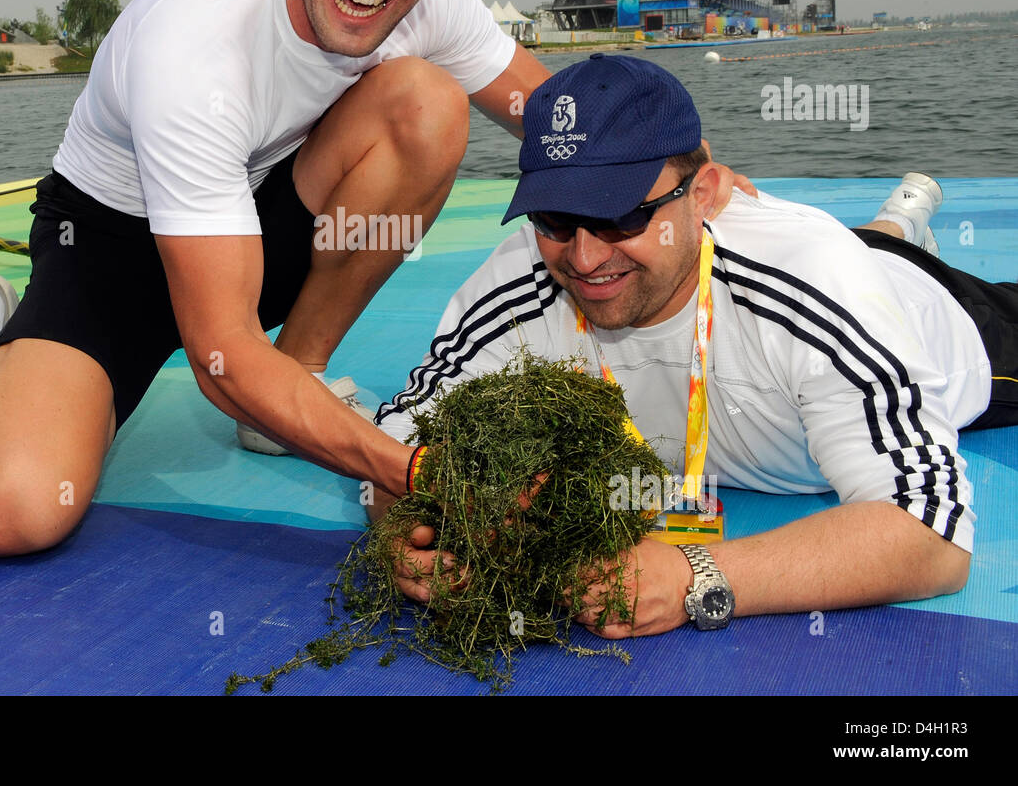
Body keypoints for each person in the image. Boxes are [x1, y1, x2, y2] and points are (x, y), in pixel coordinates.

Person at [0, 0, 556, 556]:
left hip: (256, 218)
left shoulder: (428, 2)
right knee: (7, 516)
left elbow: (560, 120)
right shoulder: (193, 40)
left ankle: (293, 378)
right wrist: (415, 469)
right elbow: (217, 358)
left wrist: (687, 169)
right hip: (112, 252)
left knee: (428, 104)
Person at [376, 53, 1018, 636]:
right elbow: (391, 448)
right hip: (822, 275)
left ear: (703, 192)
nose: (584, 256)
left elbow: (931, 535)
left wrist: (695, 575)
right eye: (554, 217)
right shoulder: (520, 280)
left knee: (875, 256)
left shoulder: (815, 289)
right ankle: (897, 220)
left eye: (621, 216)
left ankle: (902, 230)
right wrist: (409, 527)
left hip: (951, 320)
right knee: (869, 241)